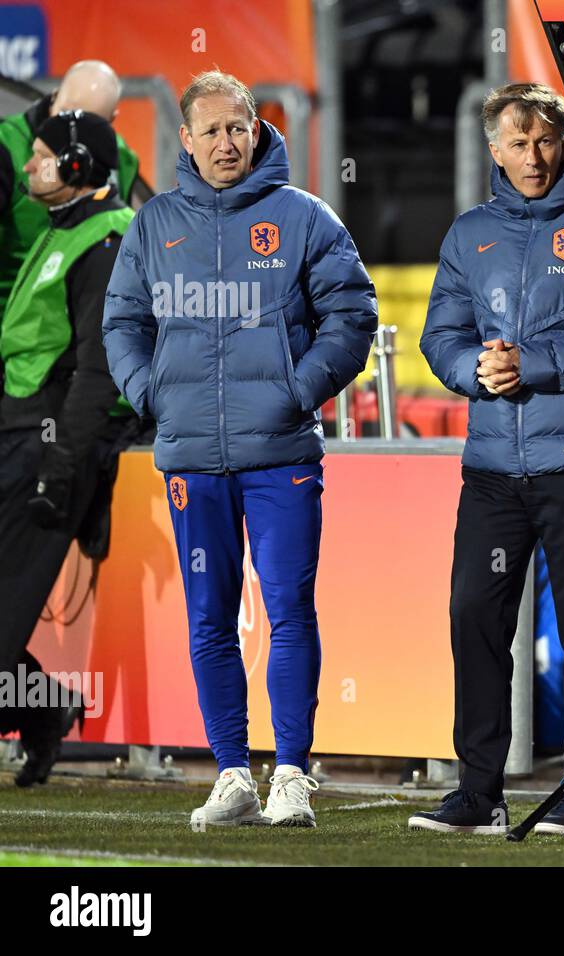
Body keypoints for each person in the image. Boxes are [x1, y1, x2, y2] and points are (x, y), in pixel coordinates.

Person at [103, 71, 377, 828]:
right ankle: (232, 774)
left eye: (239, 127)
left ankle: (291, 773)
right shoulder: (154, 225)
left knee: (289, 610)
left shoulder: (304, 218)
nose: (227, 142)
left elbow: (352, 314)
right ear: (184, 140)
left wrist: (301, 388)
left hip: (282, 452)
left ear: (258, 130)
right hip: (191, 454)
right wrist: (150, 393)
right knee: (208, 620)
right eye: (211, 131)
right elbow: (121, 323)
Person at [412, 83, 564, 836]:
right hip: (493, 465)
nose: (533, 156)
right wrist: (472, 370)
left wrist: (536, 364)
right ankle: (478, 790)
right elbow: (441, 333)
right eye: (517, 144)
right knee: (474, 616)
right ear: (493, 150)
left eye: (545, 140)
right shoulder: (470, 233)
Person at [0, 111, 136, 786]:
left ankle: (43, 708)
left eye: (44, 157)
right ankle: (44, 706)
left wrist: (60, 467)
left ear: (78, 165)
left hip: (43, 447)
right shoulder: (65, 228)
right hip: (15, 432)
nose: (29, 165)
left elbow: (97, 371)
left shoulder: (106, 242)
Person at [0, 60, 140, 314]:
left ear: (110, 120)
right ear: (53, 96)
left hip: (83, 319)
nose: (70, 134)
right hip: (13, 329)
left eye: (89, 122)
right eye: (65, 114)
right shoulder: (6, 146)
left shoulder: (122, 160)